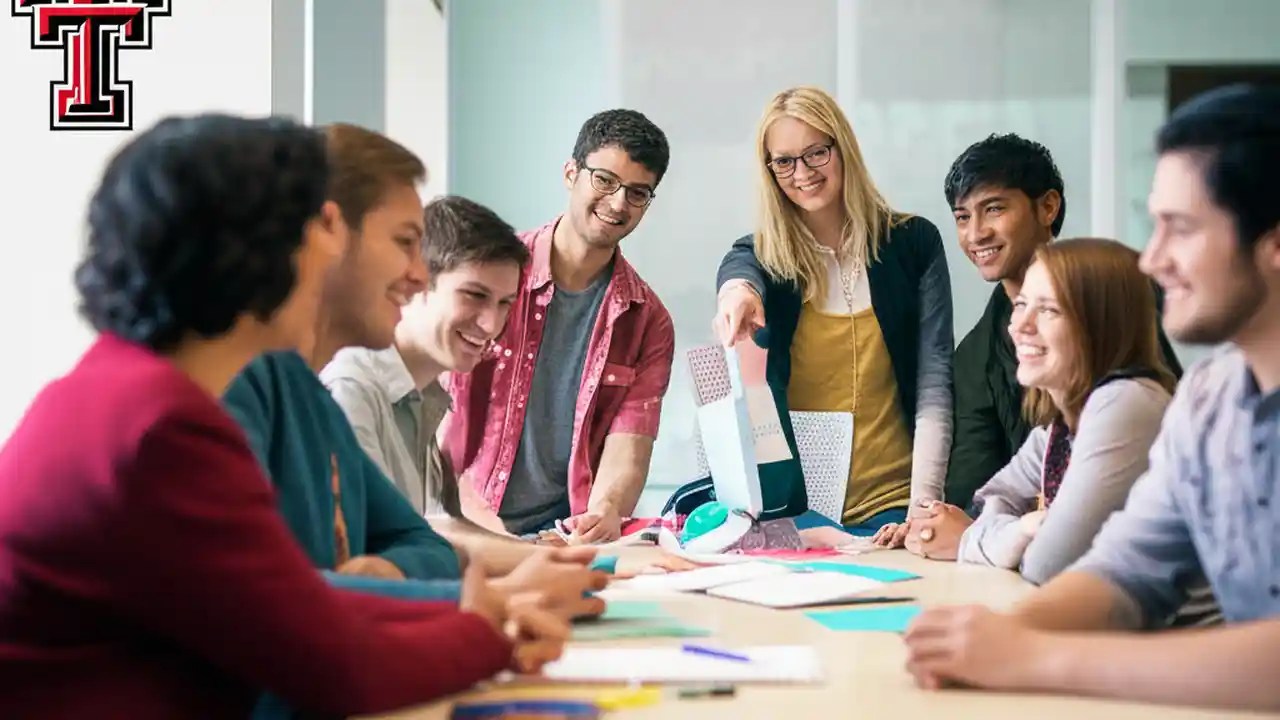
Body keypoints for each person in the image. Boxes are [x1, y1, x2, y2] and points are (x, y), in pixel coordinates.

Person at [0, 115, 567, 718]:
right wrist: (487, 632)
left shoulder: (124, 392)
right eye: (320, 230)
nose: (331, 256)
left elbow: (285, 608)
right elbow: (332, 664)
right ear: (264, 246)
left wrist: (467, 610)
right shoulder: (161, 428)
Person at [902, 84, 1280, 712]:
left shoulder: (1133, 399)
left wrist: (1029, 654)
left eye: (1180, 229)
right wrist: (990, 635)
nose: (1152, 261)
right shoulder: (1209, 402)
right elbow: (1124, 574)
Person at [223, 124, 606, 607]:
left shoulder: (306, 390)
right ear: (327, 235)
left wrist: (405, 570)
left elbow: (421, 543)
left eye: (506, 303)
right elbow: (278, 597)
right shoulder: (294, 389)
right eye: (405, 243)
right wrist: (495, 603)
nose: (417, 273)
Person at [713, 85, 953, 535]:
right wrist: (737, 293)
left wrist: (923, 509)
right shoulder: (767, 258)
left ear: (842, 149)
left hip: (894, 505)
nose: (802, 172)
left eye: (816, 153)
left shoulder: (913, 244)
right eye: (783, 161)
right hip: (797, 511)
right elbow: (739, 269)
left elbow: (935, 382)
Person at [444, 109, 676, 544]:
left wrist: (602, 513)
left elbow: (628, 449)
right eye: (605, 180)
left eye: (638, 192)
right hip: (464, 525)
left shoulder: (648, 320)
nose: (618, 203)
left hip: (560, 538)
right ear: (572, 173)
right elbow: (441, 417)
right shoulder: (493, 274)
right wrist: (475, 526)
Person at [936, 134, 1183, 513]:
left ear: (1048, 206)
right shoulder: (975, 354)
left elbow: (1166, 434)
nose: (976, 233)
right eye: (963, 217)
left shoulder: (1111, 296)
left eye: (994, 209)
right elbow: (973, 494)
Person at [908, 239, 1177, 586]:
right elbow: (991, 498)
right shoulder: (1063, 425)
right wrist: (1025, 527)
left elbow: (1048, 563)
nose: (1019, 326)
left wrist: (970, 539)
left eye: (1049, 310)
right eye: (1021, 304)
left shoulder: (1127, 402)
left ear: (1102, 324)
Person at [323, 195, 553, 573]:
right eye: (474, 295)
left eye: (504, 304)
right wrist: (584, 561)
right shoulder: (352, 389)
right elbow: (378, 547)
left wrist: (576, 558)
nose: (491, 325)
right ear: (417, 283)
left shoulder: (425, 398)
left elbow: (437, 532)